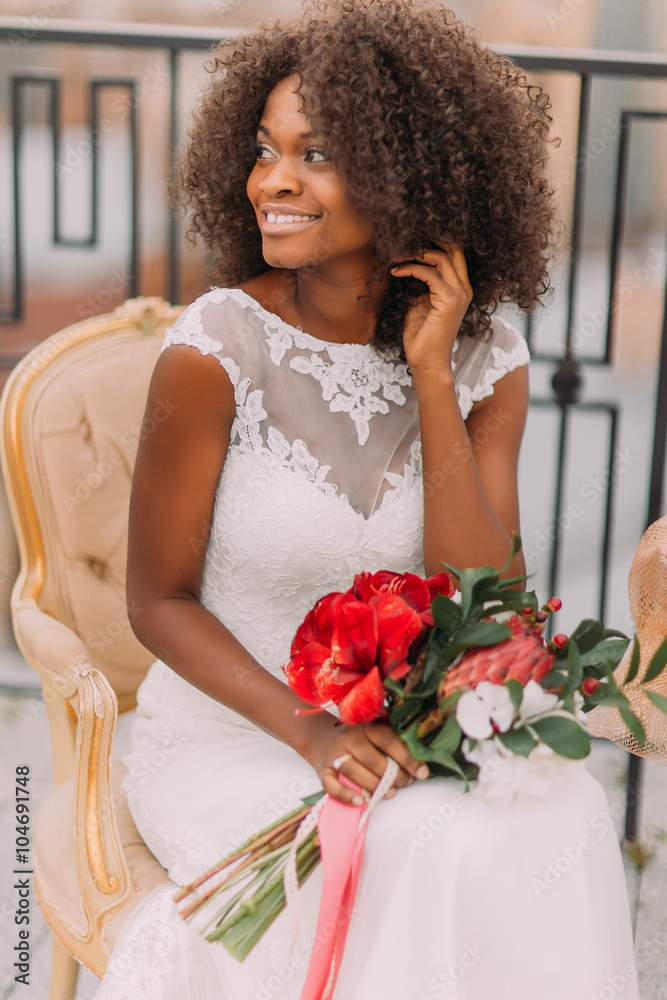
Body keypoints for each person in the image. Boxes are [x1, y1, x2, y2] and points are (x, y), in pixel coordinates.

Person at [94, 0, 640, 997]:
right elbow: (156, 599)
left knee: (557, 814)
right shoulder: (215, 348)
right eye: (265, 149)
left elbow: (483, 603)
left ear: (409, 178)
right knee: (422, 846)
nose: (275, 181)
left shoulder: (485, 362)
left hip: (403, 727)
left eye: (318, 155)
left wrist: (433, 380)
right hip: (237, 733)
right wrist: (311, 733)